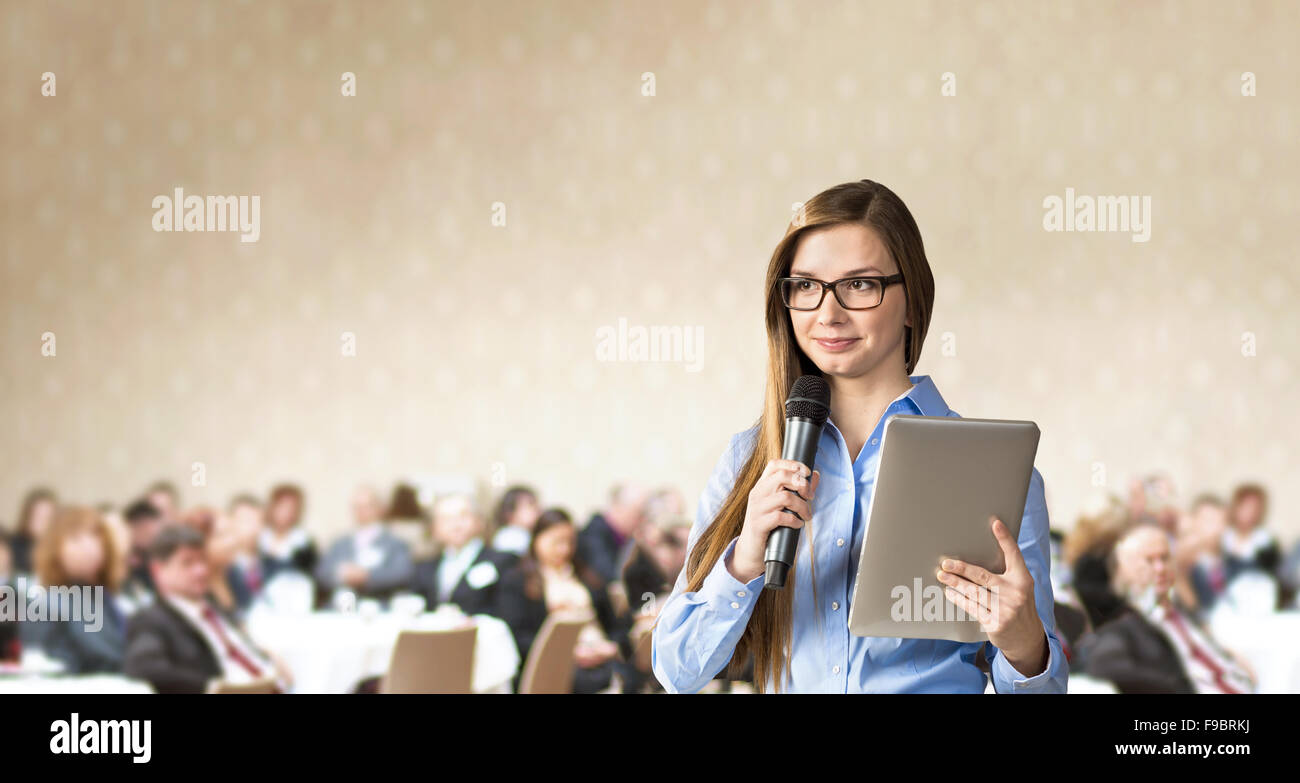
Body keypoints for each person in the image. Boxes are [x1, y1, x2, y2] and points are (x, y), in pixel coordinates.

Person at [652, 179, 1067, 693]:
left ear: (912, 301)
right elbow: (677, 672)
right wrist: (745, 558)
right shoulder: (751, 458)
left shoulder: (996, 470)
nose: (828, 312)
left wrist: (1024, 644)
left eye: (860, 285)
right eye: (806, 286)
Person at [1077, 524, 1254, 694]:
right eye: (1149, 560)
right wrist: (1175, 687)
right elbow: (1101, 665)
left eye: (1165, 558)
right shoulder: (1125, 626)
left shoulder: (1181, 613)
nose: (1160, 568)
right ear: (1125, 570)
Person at [123, 525, 288, 694]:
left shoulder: (214, 609)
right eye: (187, 563)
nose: (200, 571)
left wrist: (270, 662)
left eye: (202, 560)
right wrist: (211, 686)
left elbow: (244, 651)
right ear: (158, 570)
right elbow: (143, 668)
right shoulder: (150, 620)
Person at [496, 509, 630, 693]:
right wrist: (567, 652)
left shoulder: (587, 577)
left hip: (599, 653)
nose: (564, 549)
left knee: (631, 674)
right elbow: (518, 637)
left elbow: (615, 625)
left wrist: (609, 647)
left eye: (569, 542)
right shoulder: (518, 580)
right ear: (537, 539)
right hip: (552, 663)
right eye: (556, 542)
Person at [33, 507, 130, 674]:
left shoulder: (107, 600)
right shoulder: (48, 606)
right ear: (55, 549)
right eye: (76, 539)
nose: (89, 546)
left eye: (95, 536)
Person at [410, 493, 516, 616]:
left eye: (463, 516)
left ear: (480, 521)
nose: (456, 525)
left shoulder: (503, 561)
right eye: (446, 519)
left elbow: (508, 613)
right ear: (434, 528)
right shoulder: (424, 568)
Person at [315, 485, 414, 605]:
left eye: (367, 506)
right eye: (357, 507)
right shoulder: (340, 543)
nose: (362, 511)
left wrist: (367, 576)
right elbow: (322, 573)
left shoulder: (395, 543)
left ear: (380, 508)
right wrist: (342, 575)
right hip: (342, 609)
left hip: (379, 607)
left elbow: (401, 574)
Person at [578, 483, 649, 584]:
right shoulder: (593, 535)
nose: (643, 520)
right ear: (618, 507)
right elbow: (611, 576)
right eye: (639, 513)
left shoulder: (630, 537)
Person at [258, 483, 318, 583]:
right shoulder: (258, 538)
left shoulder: (304, 542)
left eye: (291, 509)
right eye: (282, 507)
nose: (286, 513)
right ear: (272, 508)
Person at [1221, 483, 1280, 584]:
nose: (1250, 513)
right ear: (1235, 507)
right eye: (1245, 507)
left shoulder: (1266, 542)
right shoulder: (1222, 537)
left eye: (1255, 509)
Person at [119, 499, 164, 608]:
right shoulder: (121, 566)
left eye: (149, 527)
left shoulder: (158, 562)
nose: (147, 533)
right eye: (141, 527)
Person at [8, 487, 57, 575]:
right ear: (27, 516)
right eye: (38, 516)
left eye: (47, 517)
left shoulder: (58, 549)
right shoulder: (10, 547)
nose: (43, 522)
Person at [489, 485, 541, 556]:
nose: (538, 509)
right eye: (531, 504)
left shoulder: (524, 534)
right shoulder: (511, 537)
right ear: (510, 513)